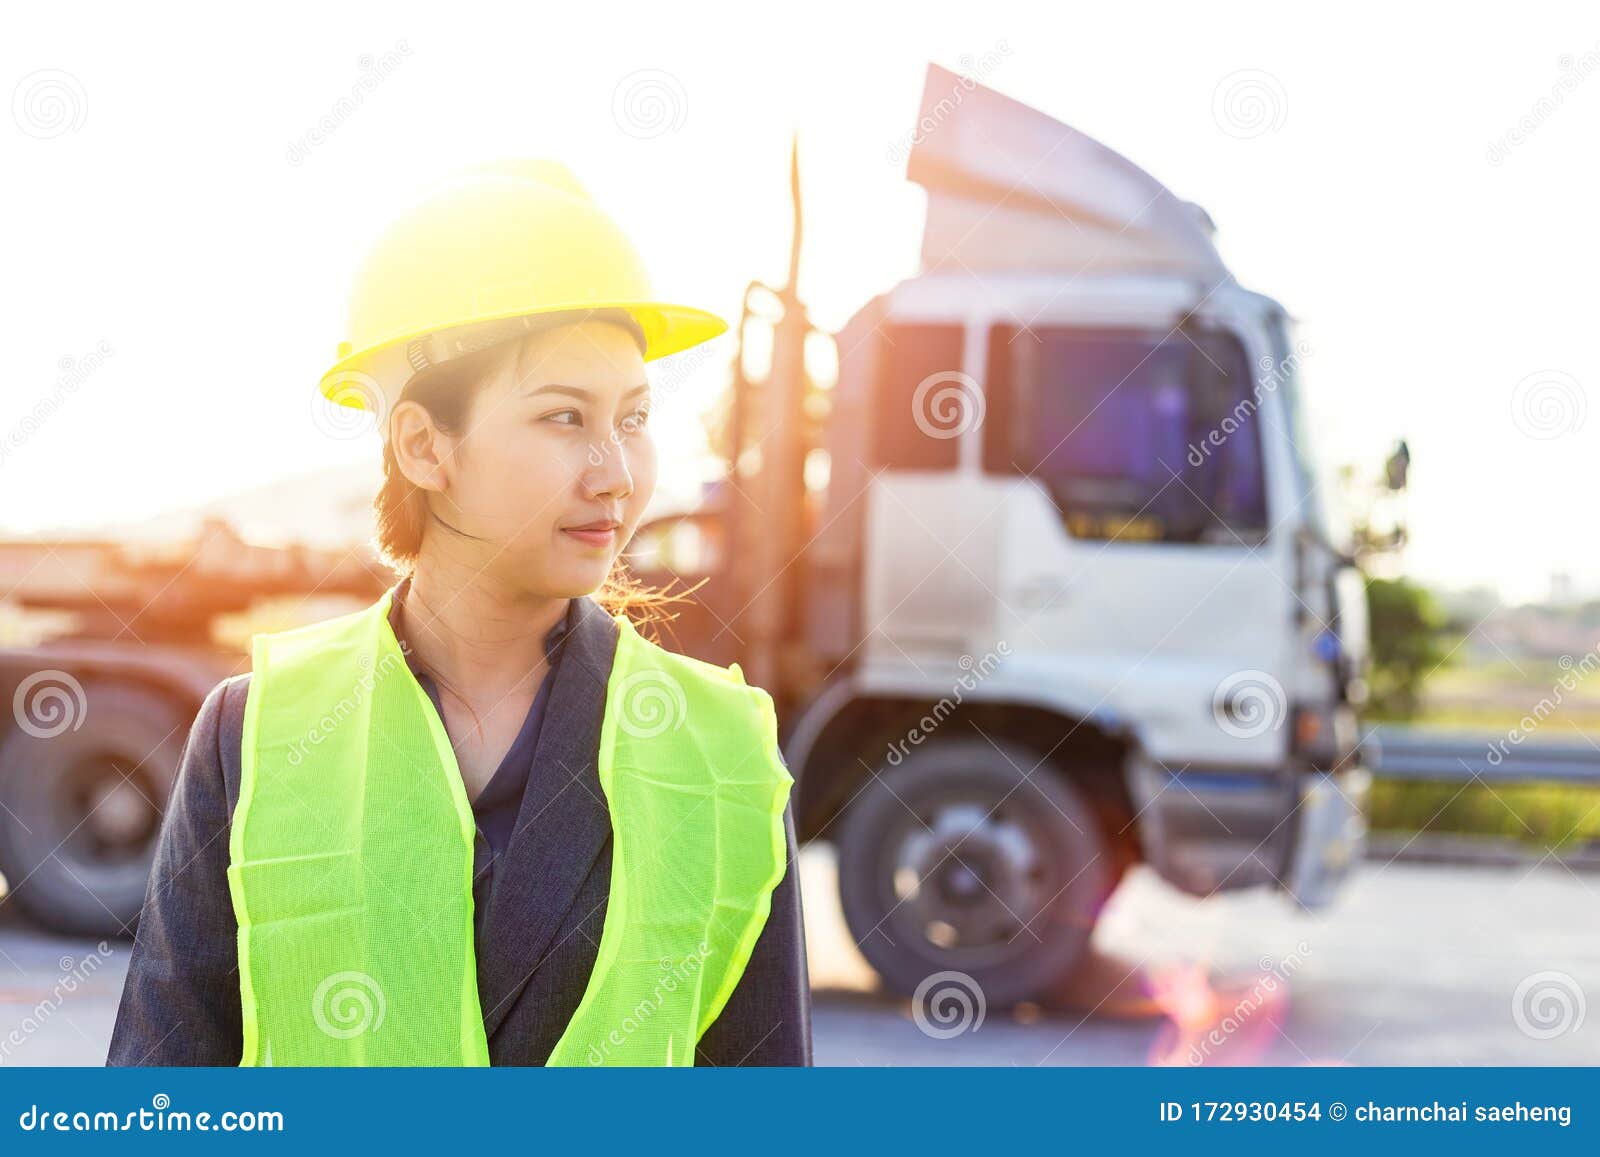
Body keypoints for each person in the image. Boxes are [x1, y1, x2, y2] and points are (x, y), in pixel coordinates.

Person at [107, 160, 812, 1066]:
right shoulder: (256, 734)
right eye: (565, 418)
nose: (616, 474)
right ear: (423, 445)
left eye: (634, 418)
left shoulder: (721, 753)